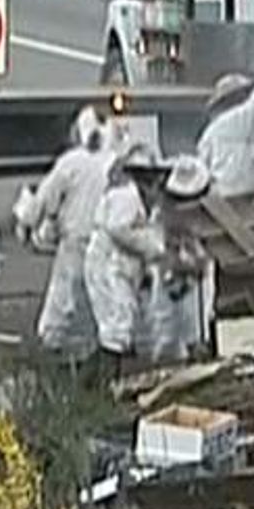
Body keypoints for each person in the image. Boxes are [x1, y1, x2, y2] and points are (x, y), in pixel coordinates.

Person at [17, 106, 115, 355]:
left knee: (62, 302)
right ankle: (97, 354)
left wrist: (27, 221)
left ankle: (51, 354)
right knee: (101, 301)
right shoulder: (114, 161)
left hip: (77, 242)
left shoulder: (72, 162)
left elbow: (44, 198)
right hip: (109, 244)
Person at [83, 146, 165, 373]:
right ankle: (99, 384)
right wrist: (152, 249)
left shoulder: (144, 201)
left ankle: (92, 384)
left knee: (120, 328)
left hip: (120, 269)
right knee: (116, 330)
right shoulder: (125, 196)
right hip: (107, 267)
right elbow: (119, 229)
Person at [142, 155, 215, 364]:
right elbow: (155, 239)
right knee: (164, 330)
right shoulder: (162, 209)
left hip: (198, 276)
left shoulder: (210, 210)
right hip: (168, 271)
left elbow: (210, 248)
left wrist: (197, 260)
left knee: (196, 331)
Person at [195, 66, 254, 196]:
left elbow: (201, 169)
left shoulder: (211, 132)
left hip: (221, 197)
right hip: (237, 196)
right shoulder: (236, 121)